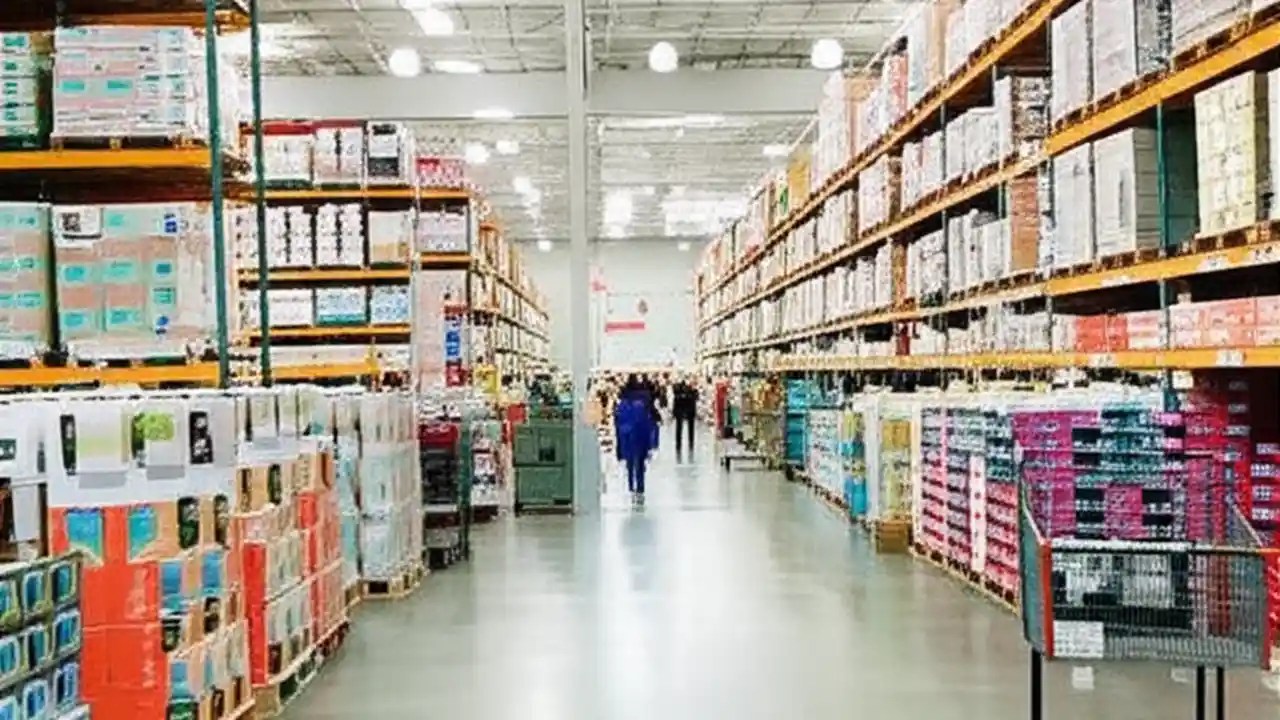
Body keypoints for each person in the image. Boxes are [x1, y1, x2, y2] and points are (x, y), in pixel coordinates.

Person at [614, 374, 658, 502]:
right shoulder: (643, 404)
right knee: (639, 463)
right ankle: (640, 488)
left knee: (630, 462)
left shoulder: (622, 405)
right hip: (640, 436)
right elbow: (649, 423)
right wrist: (651, 443)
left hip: (627, 436)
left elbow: (618, 423)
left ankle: (631, 487)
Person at [671, 374, 699, 460]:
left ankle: (680, 444)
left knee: (679, 428)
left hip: (682, 410)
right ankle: (689, 443)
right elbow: (696, 397)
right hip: (688, 410)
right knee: (688, 428)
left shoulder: (677, 391)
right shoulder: (691, 391)